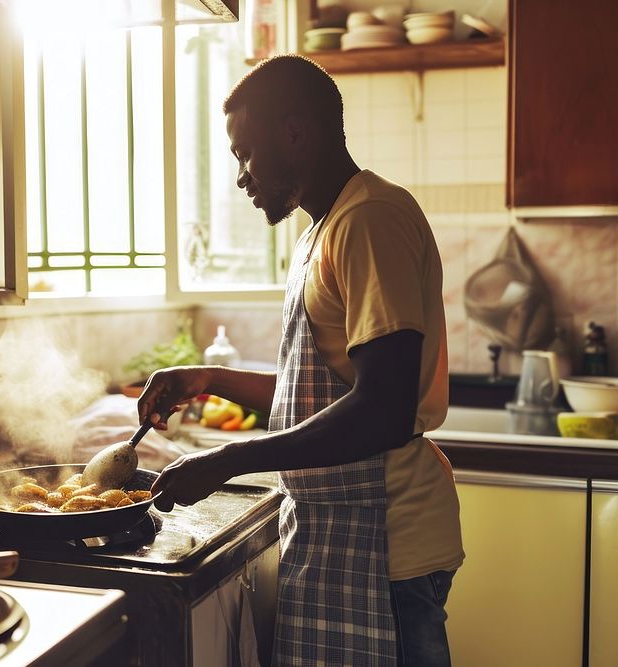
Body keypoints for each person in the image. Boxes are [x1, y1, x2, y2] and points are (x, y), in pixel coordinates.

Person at [140, 55, 464, 666]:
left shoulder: (367, 220)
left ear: (295, 133)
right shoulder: (323, 227)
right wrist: (209, 380)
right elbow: (317, 392)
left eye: (245, 153)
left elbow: (384, 408)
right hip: (341, 535)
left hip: (387, 541)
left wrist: (229, 459)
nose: (241, 176)